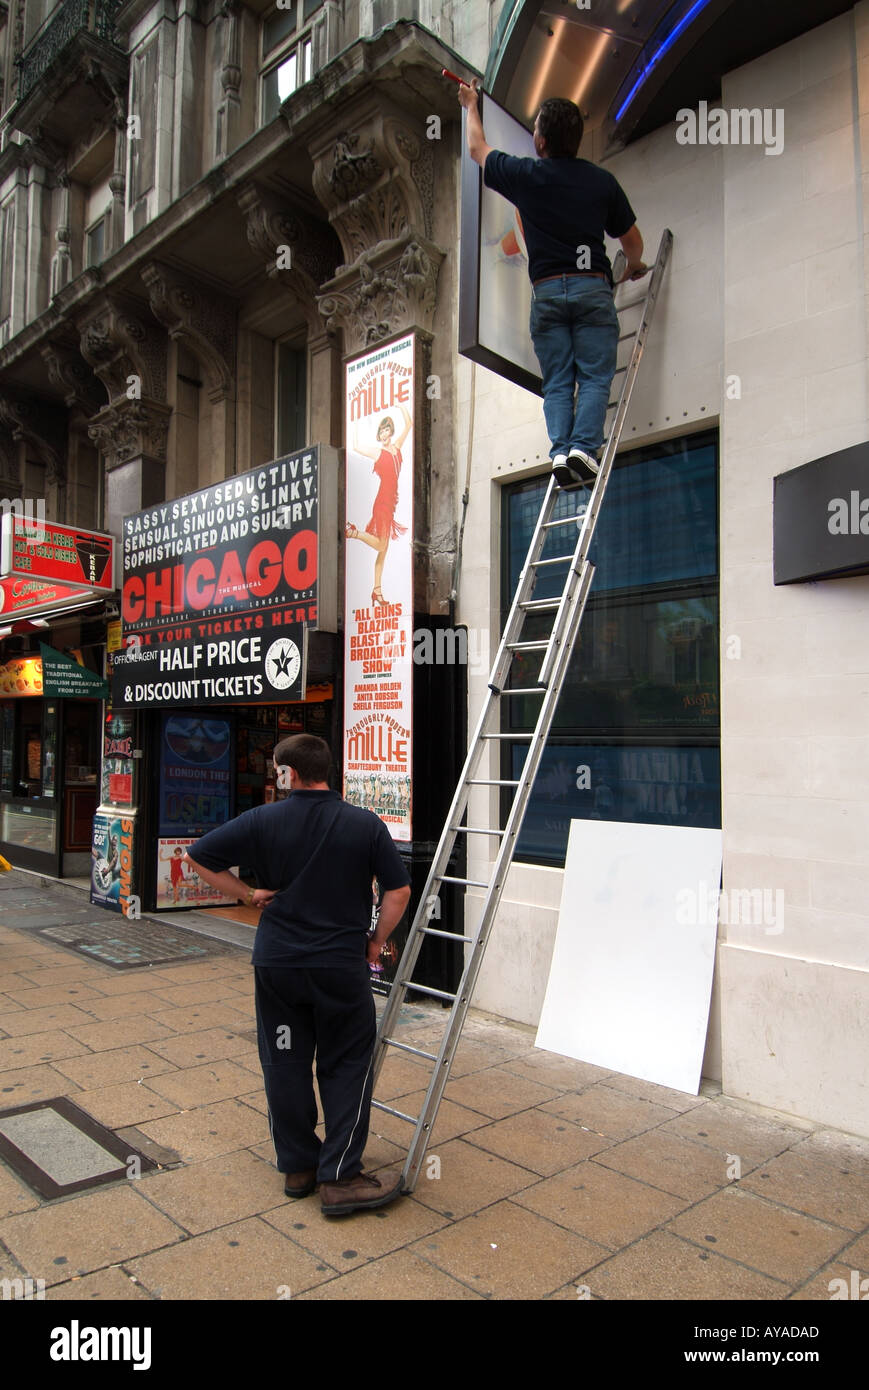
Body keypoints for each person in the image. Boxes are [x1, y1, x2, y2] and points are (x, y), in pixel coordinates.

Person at [185, 732, 411, 1217]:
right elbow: (398, 891)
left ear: (285, 773)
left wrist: (248, 895)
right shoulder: (364, 824)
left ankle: (299, 1168)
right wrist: (374, 941)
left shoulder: (262, 819)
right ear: (327, 769)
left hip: (279, 968)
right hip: (340, 969)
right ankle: (341, 1176)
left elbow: (199, 855)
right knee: (347, 1064)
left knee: (284, 1061)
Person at [458, 83, 647, 488]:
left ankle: (561, 450)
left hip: (546, 293)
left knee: (558, 381)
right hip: (592, 287)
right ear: (576, 140)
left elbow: (477, 149)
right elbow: (632, 241)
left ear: (540, 140)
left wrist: (471, 105)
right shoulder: (601, 182)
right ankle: (582, 448)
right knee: (594, 376)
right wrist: (634, 265)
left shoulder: (527, 175)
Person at [345, 403, 411, 606]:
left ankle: (377, 591)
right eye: (381, 430)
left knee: (383, 551)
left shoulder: (397, 447)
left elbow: (408, 424)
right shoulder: (378, 452)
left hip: (391, 502)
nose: (384, 433)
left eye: (387, 429)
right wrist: (354, 421)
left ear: (391, 431)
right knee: (381, 544)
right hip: (382, 501)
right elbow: (355, 446)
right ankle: (354, 533)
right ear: (379, 434)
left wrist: (401, 405)